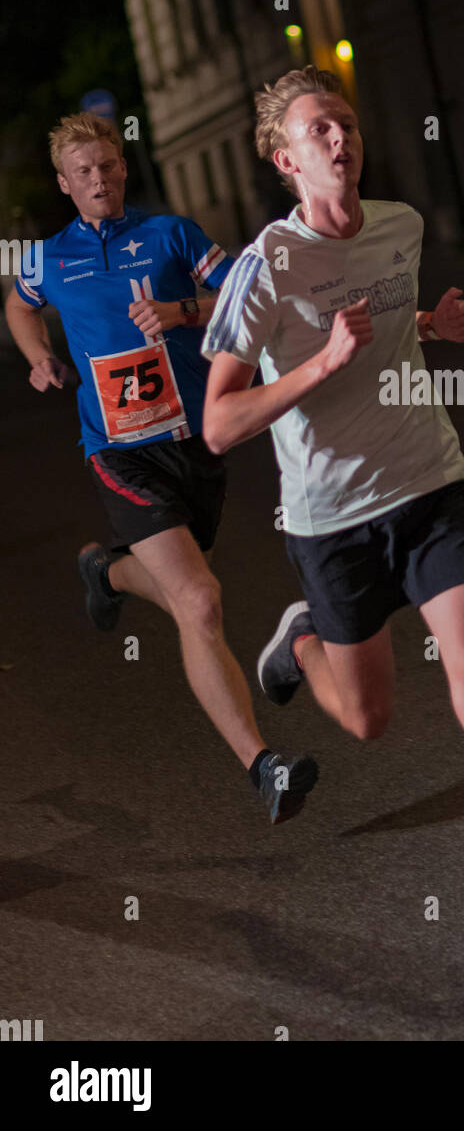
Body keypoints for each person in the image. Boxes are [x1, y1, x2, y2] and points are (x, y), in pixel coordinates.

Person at [201, 66, 464, 998]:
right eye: (318, 129)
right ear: (284, 159)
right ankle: (300, 643)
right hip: (331, 522)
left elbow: (382, 323)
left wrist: (431, 324)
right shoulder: (264, 267)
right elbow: (217, 423)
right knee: (373, 720)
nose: (339, 138)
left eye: (345, 121)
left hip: (430, 488)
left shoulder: (400, 227)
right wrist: (321, 365)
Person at [4, 111, 316, 824]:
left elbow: (248, 296)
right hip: (118, 452)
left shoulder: (171, 234)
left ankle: (104, 573)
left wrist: (182, 311)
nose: (98, 179)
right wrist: (39, 357)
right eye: (82, 171)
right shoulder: (45, 258)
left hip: (197, 441)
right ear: (64, 184)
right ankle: (263, 765)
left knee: (184, 586)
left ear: (123, 167)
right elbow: (19, 309)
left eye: (107, 166)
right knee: (199, 601)